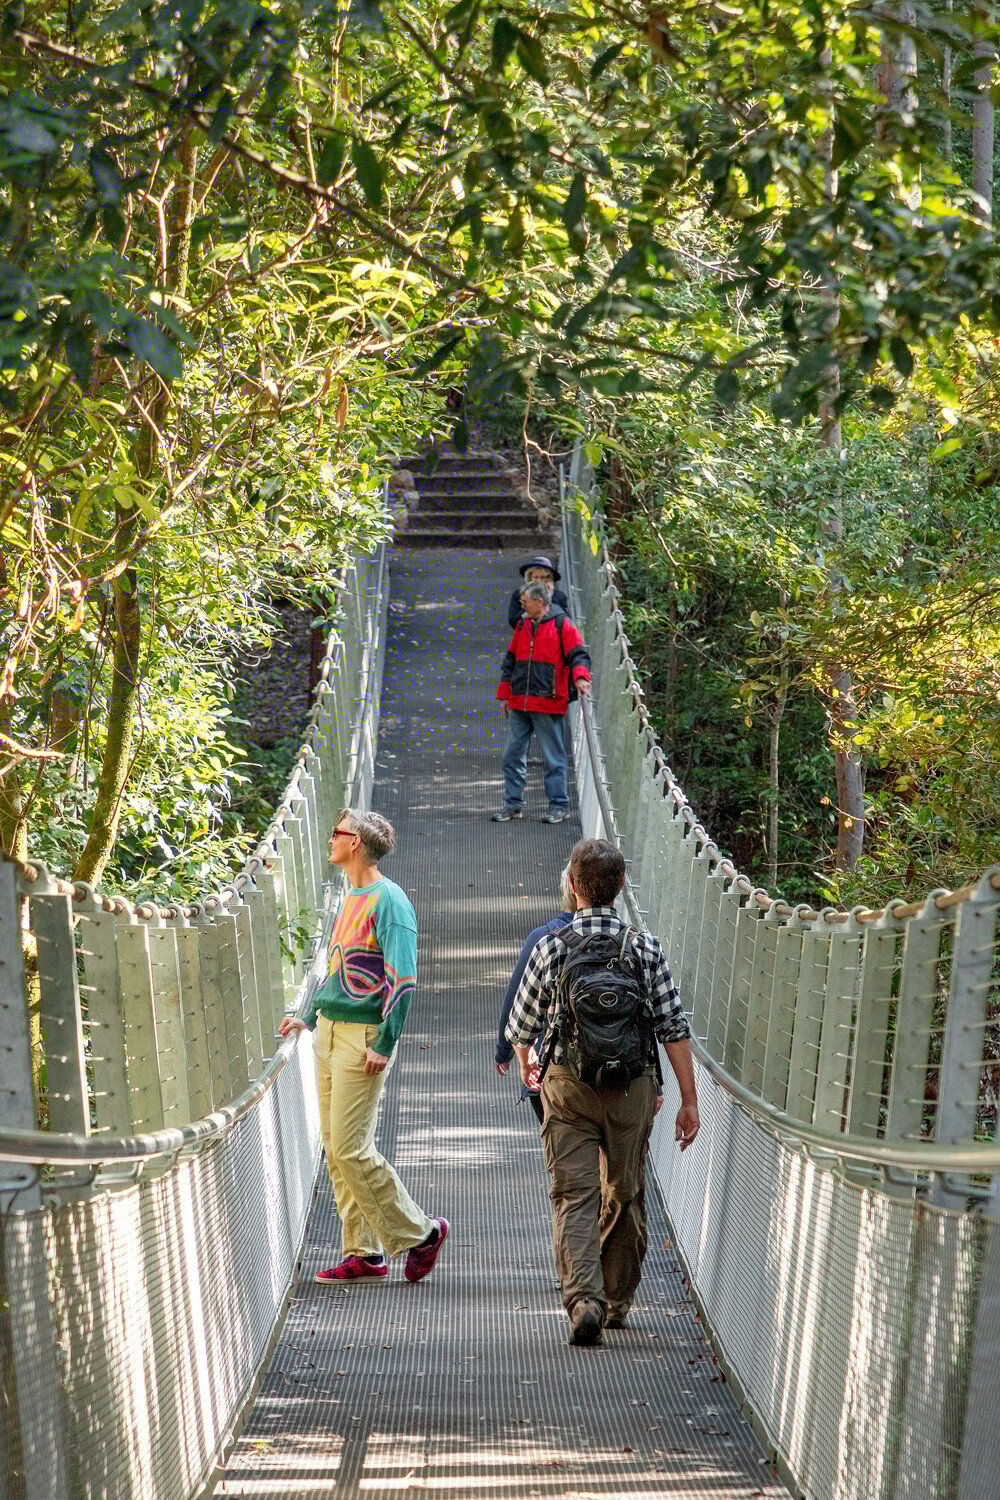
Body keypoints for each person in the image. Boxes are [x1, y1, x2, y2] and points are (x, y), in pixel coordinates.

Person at [506, 838, 699, 1347]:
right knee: (626, 1192)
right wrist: (689, 1099)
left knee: (574, 1194)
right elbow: (672, 1027)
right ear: (621, 888)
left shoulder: (551, 946)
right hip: (632, 1087)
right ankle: (615, 1300)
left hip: (568, 1084)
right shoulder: (645, 947)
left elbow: (521, 1025)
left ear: (573, 885)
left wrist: (530, 1067)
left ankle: (583, 1300)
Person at [279, 809, 448, 1285]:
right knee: (337, 1150)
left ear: (355, 843)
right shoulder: (350, 894)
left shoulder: (389, 900)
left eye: (337, 833)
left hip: (363, 1039)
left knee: (352, 1149)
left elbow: (404, 977)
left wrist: (386, 1040)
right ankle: (364, 1254)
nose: (329, 839)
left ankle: (423, 1233)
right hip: (329, 1032)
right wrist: (309, 1015)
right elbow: (338, 966)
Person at [493, 581, 591, 824]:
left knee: (553, 757)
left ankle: (559, 806)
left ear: (540, 602)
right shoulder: (523, 625)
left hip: (548, 703)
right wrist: (505, 694)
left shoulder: (562, 625)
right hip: (519, 703)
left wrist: (580, 678)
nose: (521, 603)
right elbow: (511, 661)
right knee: (512, 755)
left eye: (525, 600)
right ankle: (512, 804)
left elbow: (578, 654)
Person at [495, 864, 575, 1121]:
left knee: (563, 1156)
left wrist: (505, 1050)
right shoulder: (632, 942)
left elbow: (518, 1000)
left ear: (570, 886)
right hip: (618, 1072)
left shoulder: (545, 938)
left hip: (552, 1069)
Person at [507, 555, 570, 630]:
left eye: (543, 577)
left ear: (548, 579)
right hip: (527, 634)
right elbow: (513, 621)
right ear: (530, 578)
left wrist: (548, 597)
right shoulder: (519, 594)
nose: (539, 581)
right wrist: (531, 606)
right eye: (536, 577)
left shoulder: (559, 596)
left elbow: (565, 621)